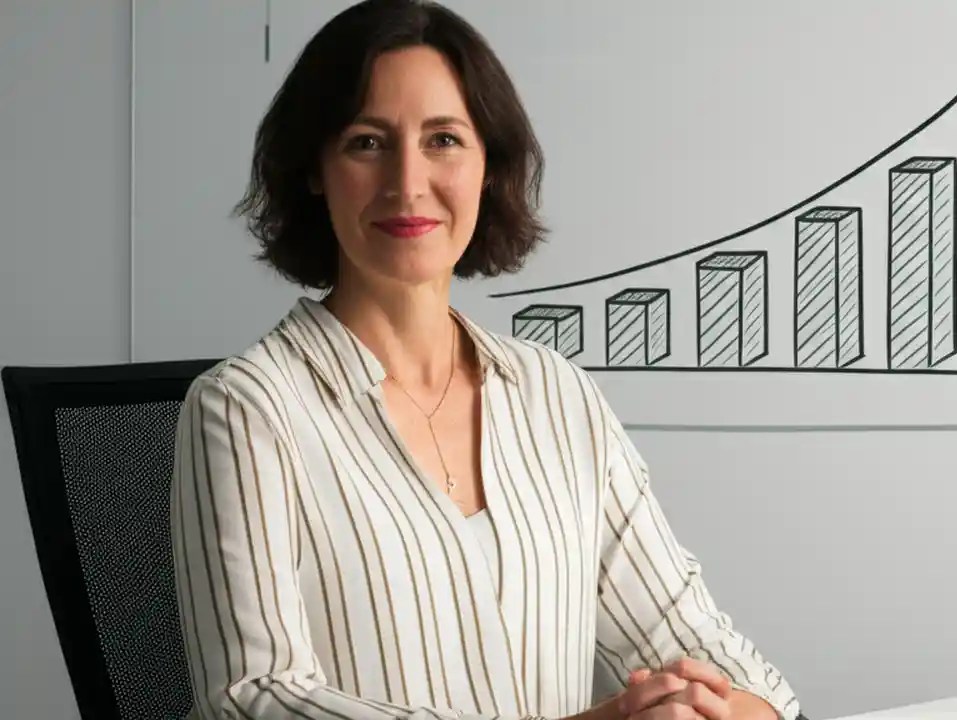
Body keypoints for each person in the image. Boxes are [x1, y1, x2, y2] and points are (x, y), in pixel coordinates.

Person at [169, 2, 800, 719]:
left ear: (486, 168)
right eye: (366, 142)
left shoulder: (557, 395)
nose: (407, 183)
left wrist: (727, 711)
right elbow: (254, 700)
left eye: (442, 140)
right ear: (314, 168)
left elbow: (686, 635)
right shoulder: (245, 409)